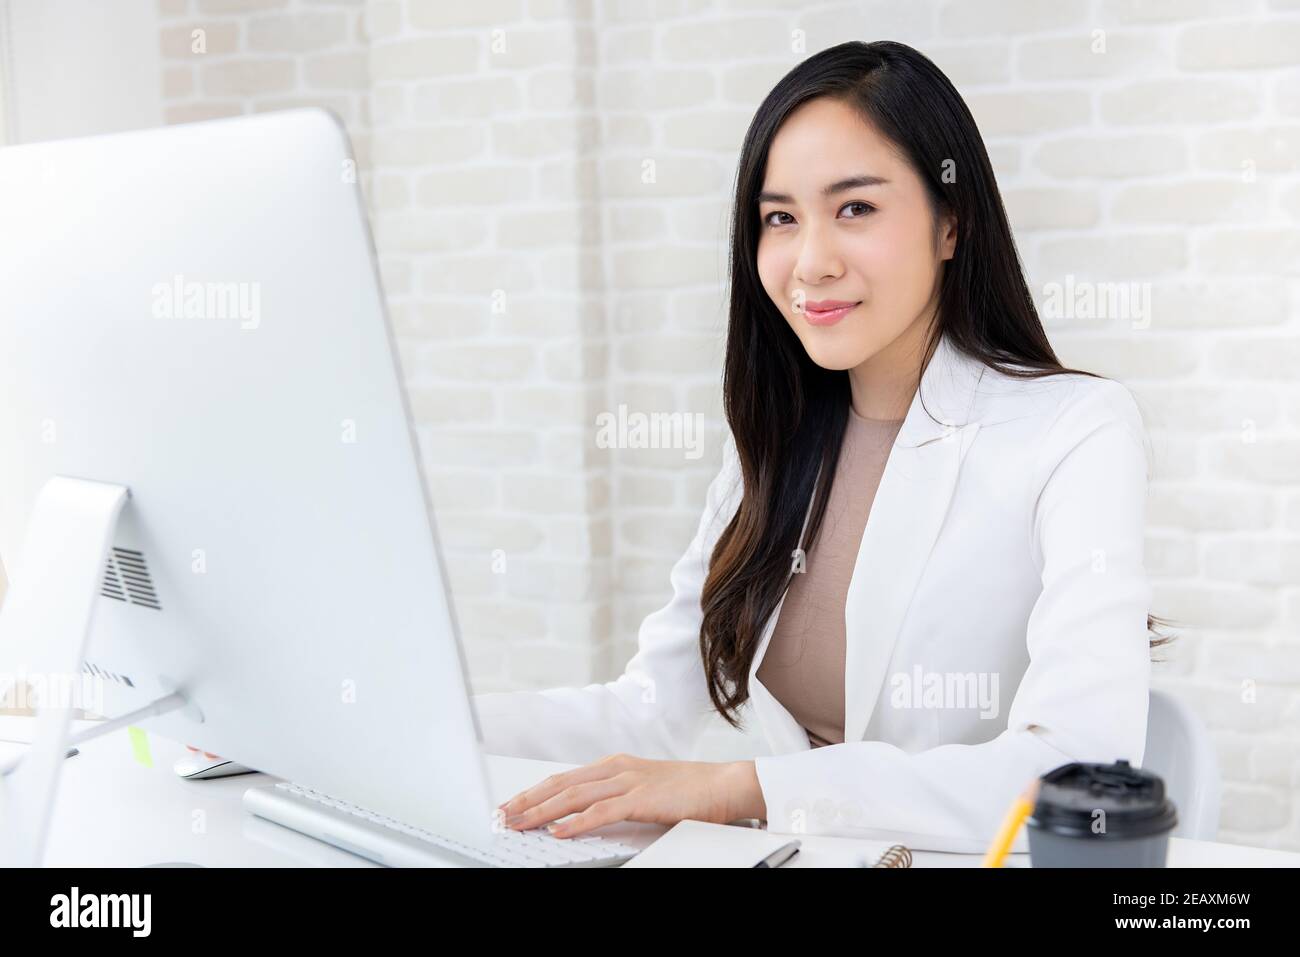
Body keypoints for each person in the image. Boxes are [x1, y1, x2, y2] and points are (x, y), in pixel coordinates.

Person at [474, 39, 1171, 852]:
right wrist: (435, 724)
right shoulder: (775, 438)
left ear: (954, 223)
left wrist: (744, 788)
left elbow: (1075, 769)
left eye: (855, 209)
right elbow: (647, 711)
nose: (810, 262)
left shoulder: (1077, 429)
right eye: (781, 218)